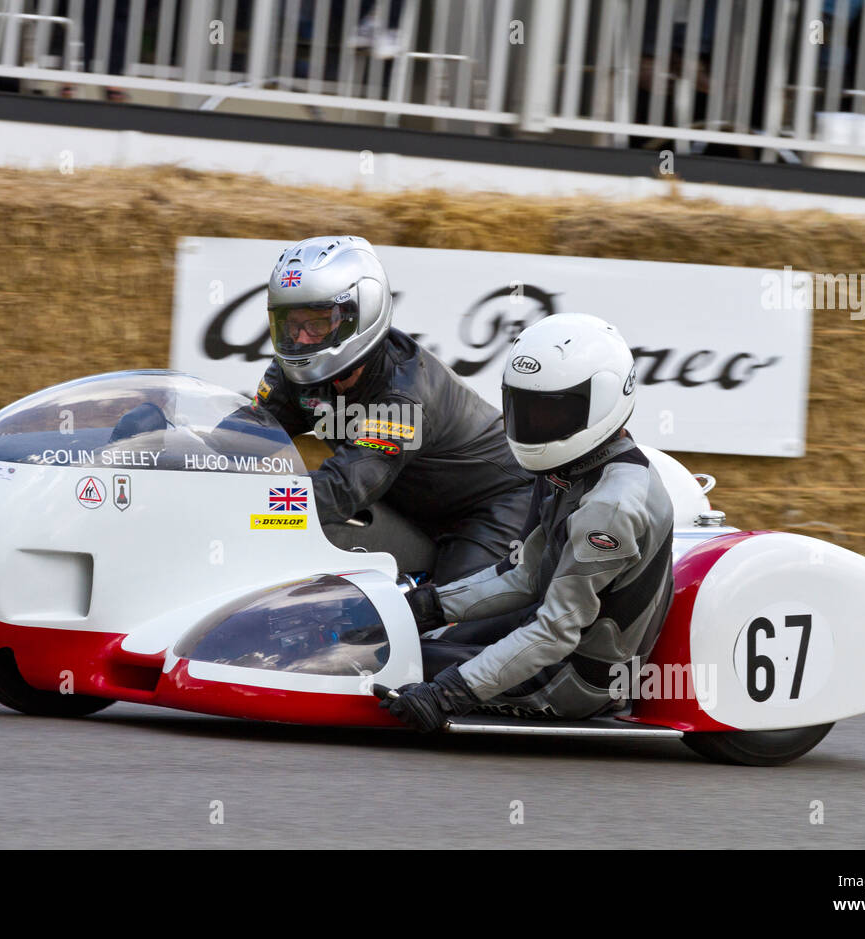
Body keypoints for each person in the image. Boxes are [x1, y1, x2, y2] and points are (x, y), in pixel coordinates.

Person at [385, 313, 676, 731]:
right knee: (403, 638)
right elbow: (524, 575)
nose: (533, 425)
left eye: (550, 412)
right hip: (544, 634)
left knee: (389, 664)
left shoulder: (609, 505)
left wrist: (450, 693)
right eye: (525, 407)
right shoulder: (570, 466)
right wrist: (429, 606)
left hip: (578, 678)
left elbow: (556, 632)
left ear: (606, 401)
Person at [252, 235, 533, 584]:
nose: (302, 339)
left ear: (360, 314)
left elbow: (342, 489)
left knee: (447, 621)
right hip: (404, 500)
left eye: (317, 323)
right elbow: (245, 437)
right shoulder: (293, 371)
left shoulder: (403, 395)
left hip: (493, 505)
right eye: (291, 325)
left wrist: (257, 507)